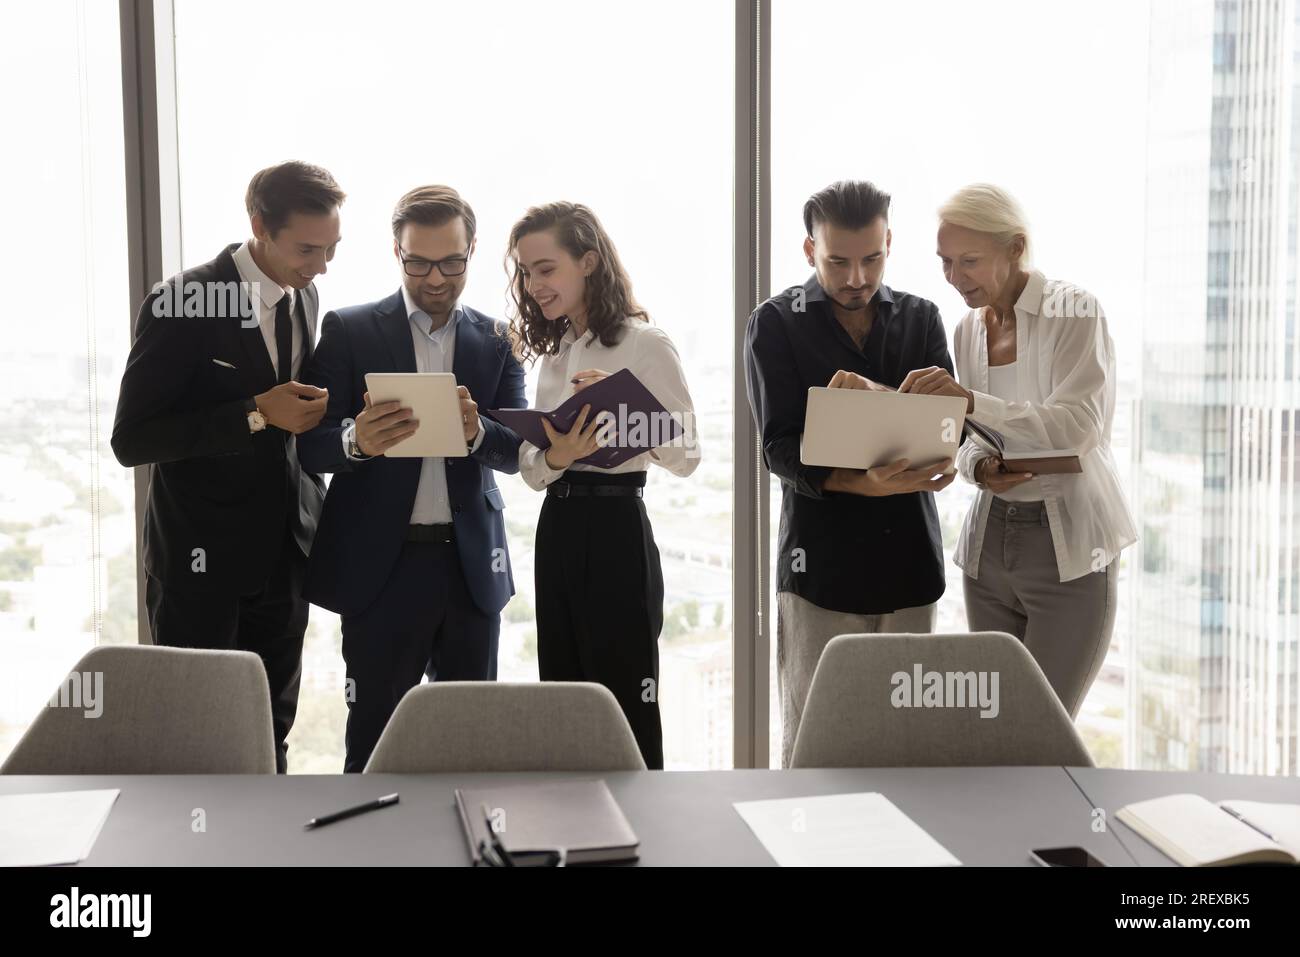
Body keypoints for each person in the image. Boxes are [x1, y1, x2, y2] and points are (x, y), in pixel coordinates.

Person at [112, 160, 343, 772]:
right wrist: (253, 414)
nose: (321, 266)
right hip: (200, 569)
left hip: (286, 559)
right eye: (308, 249)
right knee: (197, 743)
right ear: (259, 227)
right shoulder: (182, 301)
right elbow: (132, 439)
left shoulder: (306, 295)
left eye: (332, 249)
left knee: (272, 737)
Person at [297, 186, 526, 772]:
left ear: (471, 251)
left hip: (470, 568)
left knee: (471, 745)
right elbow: (308, 443)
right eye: (418, 261)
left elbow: (519, 448)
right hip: (382, 571)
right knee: (373, 742)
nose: (435, 278)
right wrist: (357, 440)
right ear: (395, 253)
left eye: (452, 261)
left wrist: (478, 434)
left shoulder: (498, 339)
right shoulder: (349, 330)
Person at [903, 182, 1137, 717]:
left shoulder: (1074, 311)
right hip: (988, 548)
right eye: (944, 261)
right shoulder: (966, 329)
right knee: (995, 726)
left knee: (1045, 730)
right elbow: (964, 439)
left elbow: (1081, 428)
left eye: (969, 261)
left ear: (1015, 248)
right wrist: (979, 464)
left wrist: (971, 402)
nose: (954, 278)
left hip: (1070, 550)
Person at [744, 179, 957, 767]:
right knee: (818, 745)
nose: (857, 278)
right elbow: (780, 449)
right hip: (821, 569)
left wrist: (880, 397)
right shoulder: (774, 324)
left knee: (906, 745)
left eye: (872, 259)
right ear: (810, 251)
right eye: (838, 261)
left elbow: (950, 430)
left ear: (890, 242)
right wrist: (862, 482)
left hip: (908, 564)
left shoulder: (922, 318)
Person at [506, 201, 700, 769]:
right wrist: (558, 454)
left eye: (546, 268)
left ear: (588, 261)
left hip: (617, 527)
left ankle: (641, 831)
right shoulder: (555, 354)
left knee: (627, 698)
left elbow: (687, 454)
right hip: (558, 529)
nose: (533, 284)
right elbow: (530, 465)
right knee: (562, 694)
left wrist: (627, 405)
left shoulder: (645, 343)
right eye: (525, 271)